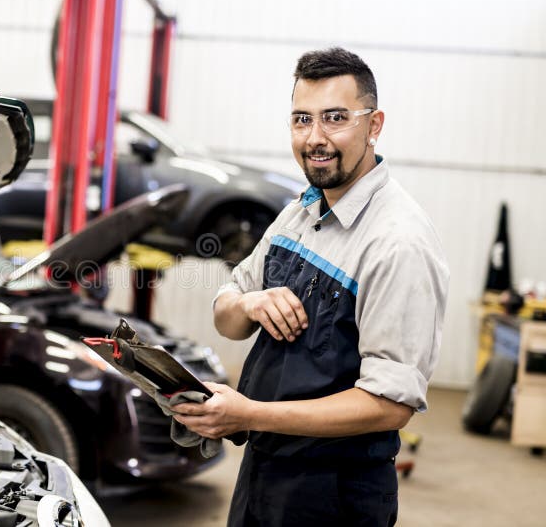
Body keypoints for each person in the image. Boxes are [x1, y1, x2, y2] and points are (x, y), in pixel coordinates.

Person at [172, 47, 449, 526]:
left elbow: (388, 406)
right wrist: (250, 302)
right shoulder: (300, 211)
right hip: (265, 473)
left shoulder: (397, 243)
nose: (316, 139)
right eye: (302, 120)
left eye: (335, 118)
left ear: (374, 124)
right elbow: (226, 313)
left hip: (335, 494)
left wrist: (249, 414)